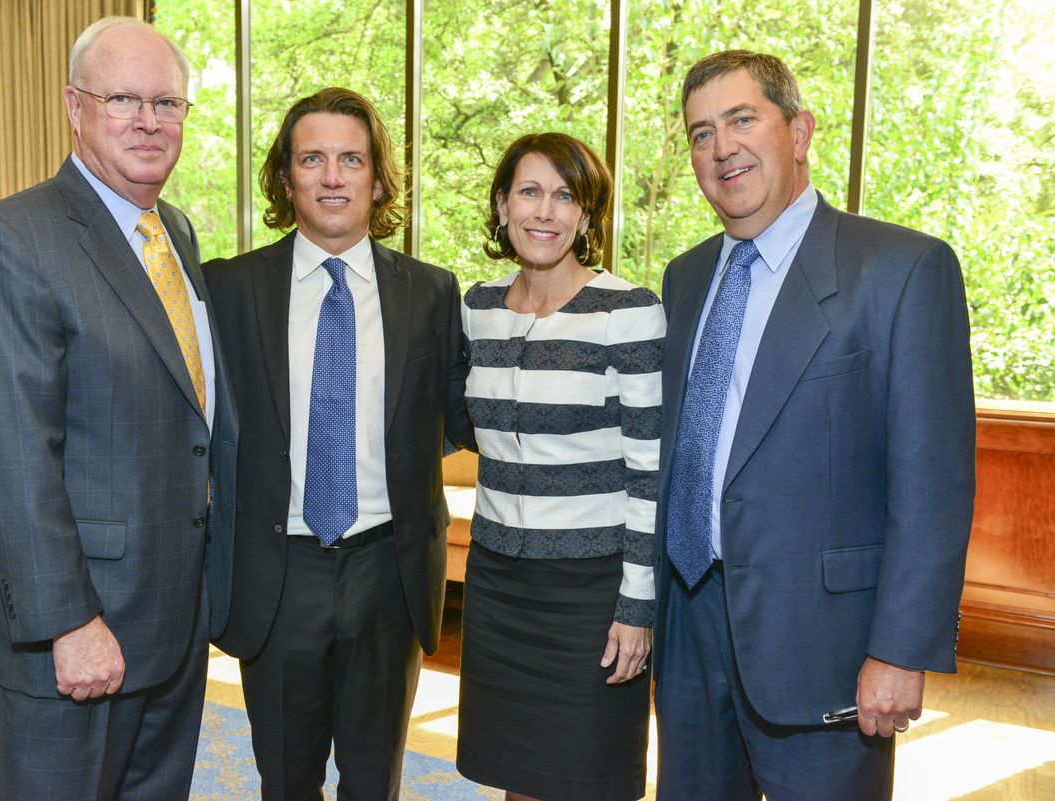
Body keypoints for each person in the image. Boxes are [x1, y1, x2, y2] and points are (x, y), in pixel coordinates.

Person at [654, 49, 976, 800]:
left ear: (799, 131)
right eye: (701, 133)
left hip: (823, 645)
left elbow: (933, 485)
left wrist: (900, 649)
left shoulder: (902, 270)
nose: (722, 147)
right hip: (689, 627)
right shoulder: (685, 276)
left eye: (742, 120)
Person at [0, 16, 237, 801]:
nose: (149, 121)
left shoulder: (173, 231)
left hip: (172, 616)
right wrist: (67, 622)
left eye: (167, 104)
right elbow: (8, 449)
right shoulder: (11, 237)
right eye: (124, 100)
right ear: (75, 106)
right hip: (77, 627)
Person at [203, 87, 475, 801]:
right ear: (285, 177)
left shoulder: (432, 293)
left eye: (351, 159)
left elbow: (469, 416)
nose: (331, 176)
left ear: (377, 179)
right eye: (312, 159)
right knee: (287, 781)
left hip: (389, 573)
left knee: (373, 780)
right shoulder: (227, 290)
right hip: (276, 574)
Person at [456, 132, 665, 801]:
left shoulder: (627, 311)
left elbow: (650, 473)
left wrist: (637, 606)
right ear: (502, 203)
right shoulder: (477, 309)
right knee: (519, 776)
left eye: (565, 195)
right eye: (529, 191)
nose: (545, 211)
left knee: (585, 777)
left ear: (586, 214)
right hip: (499, 582)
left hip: (590, 590)